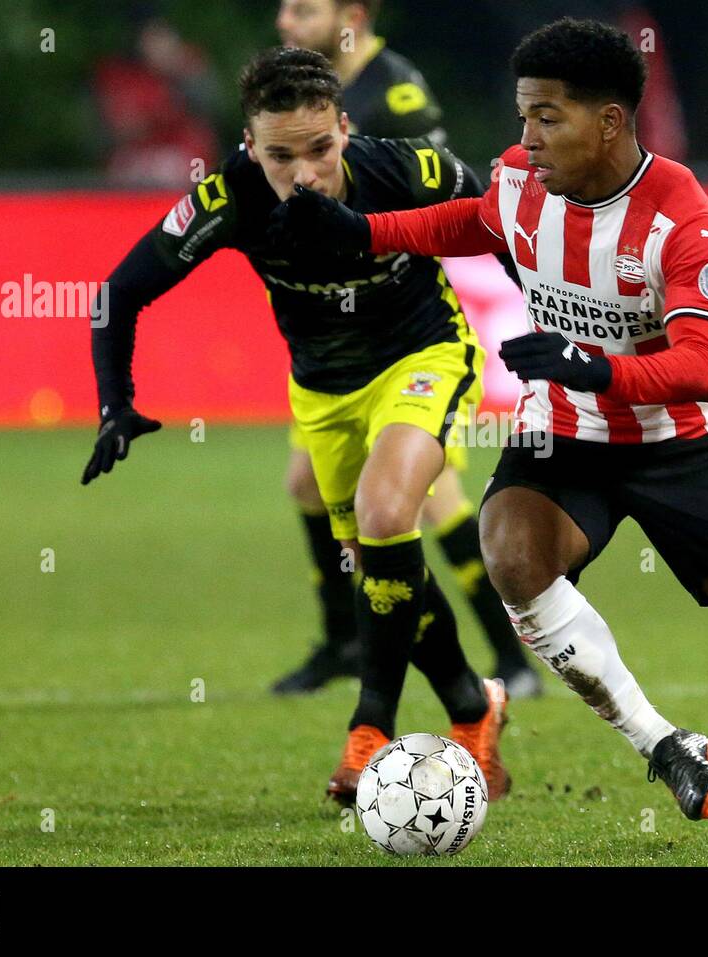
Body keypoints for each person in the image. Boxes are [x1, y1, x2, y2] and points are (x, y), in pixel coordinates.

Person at [268, 18, 708, 841]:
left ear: (610, 122)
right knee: (512, 555)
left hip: (679, 443)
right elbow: (471, 222)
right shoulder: (522, 181)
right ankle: (664, 743)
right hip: (566, 433)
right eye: (523, 115)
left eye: (547, 117)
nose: (527, 136)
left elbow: (703, 365)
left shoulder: (683, 218)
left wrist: (592, 364)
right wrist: (365, 231)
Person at [81, 47, 510, 805]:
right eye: (281, 156)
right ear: (251, 148)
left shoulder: (405, 169)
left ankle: (369, 725)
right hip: (322, 393)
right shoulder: (229, 196)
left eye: (320, 148)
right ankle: (475, 707)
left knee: (385, 513)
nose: (304, 171)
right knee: (378, 562)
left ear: (344, 128)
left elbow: (492, 225)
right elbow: (119, 291)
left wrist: (563, 341)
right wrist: (116, 401)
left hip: (424, 356)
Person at [272, 0, 542, 698]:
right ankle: (342, 637)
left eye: (304, 9)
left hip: (405, 333)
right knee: (307, 484)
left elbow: (448, 201)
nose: (286, 22)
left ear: (352, 16)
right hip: (332, 341)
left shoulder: (395, 93)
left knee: (427, 496)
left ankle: (511, 658)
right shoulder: (309, 98)